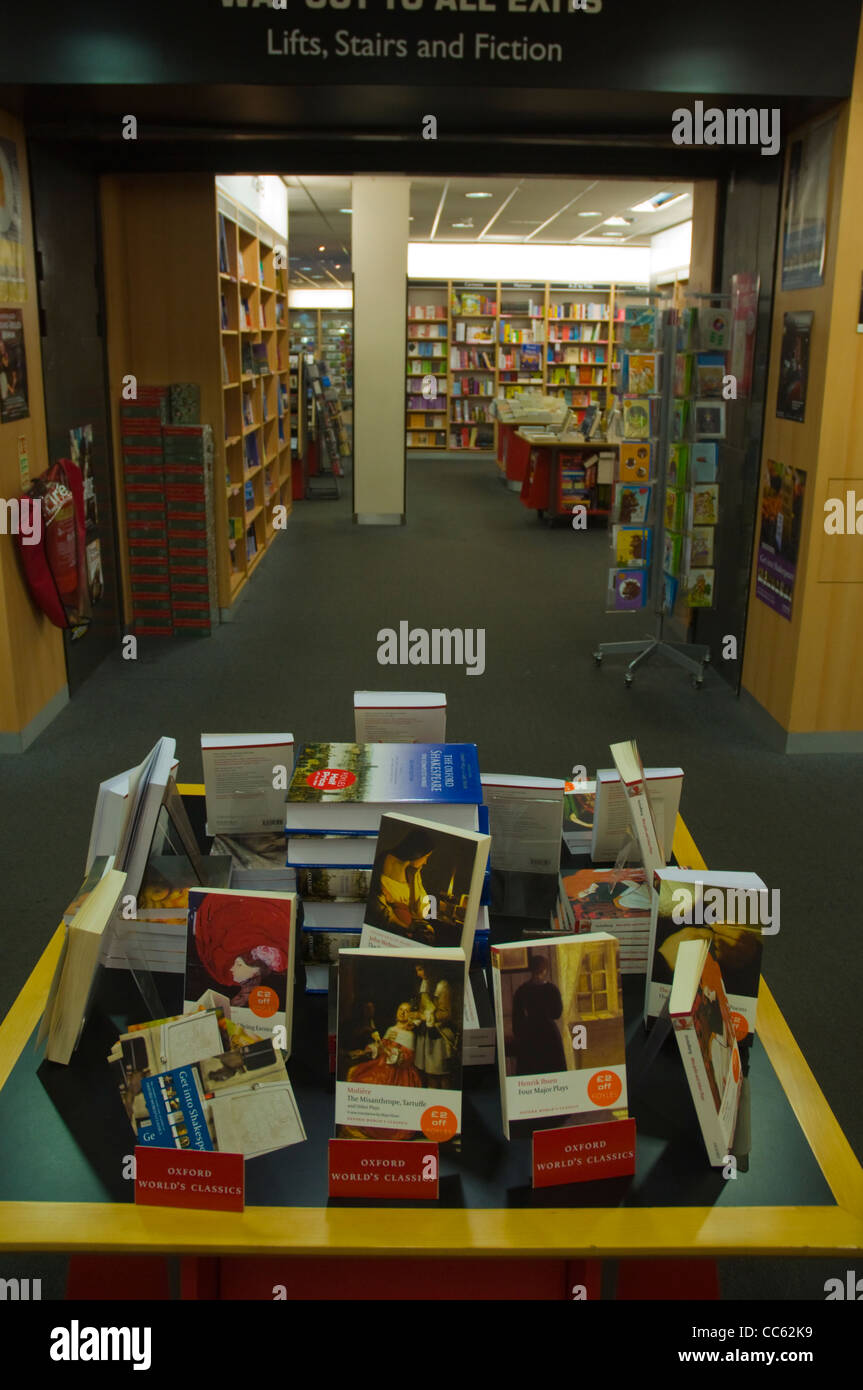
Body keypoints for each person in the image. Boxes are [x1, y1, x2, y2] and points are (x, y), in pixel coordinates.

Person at [373, 827, 436, 942]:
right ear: (418, 852)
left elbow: (421, 911)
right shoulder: (384, 864)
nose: (426, 862)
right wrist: (410, 928)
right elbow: (381, 915)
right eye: (426, 857)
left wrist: (414, 876)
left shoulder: (411, 870)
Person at [511, 954, 566, 1076]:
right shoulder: (552, 989)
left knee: (532, 1072)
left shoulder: (522, 990)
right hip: (549, 1034)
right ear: (545, 970)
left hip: (529, 1035)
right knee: (553, 1072)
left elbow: (517, 1019)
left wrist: (521, 1035)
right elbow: (557, 1013)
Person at [413, 964, 457, 1089]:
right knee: (430, 1076)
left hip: (439, 1036)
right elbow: (423, 1009)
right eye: (417, 970)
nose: (418, 974)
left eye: (420, 969)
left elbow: (446, 1013)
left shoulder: (442, 986)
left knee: (442, 1076)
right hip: (426, 1035)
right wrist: (416, 1016)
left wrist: (426, 1017)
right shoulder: (424, 984)